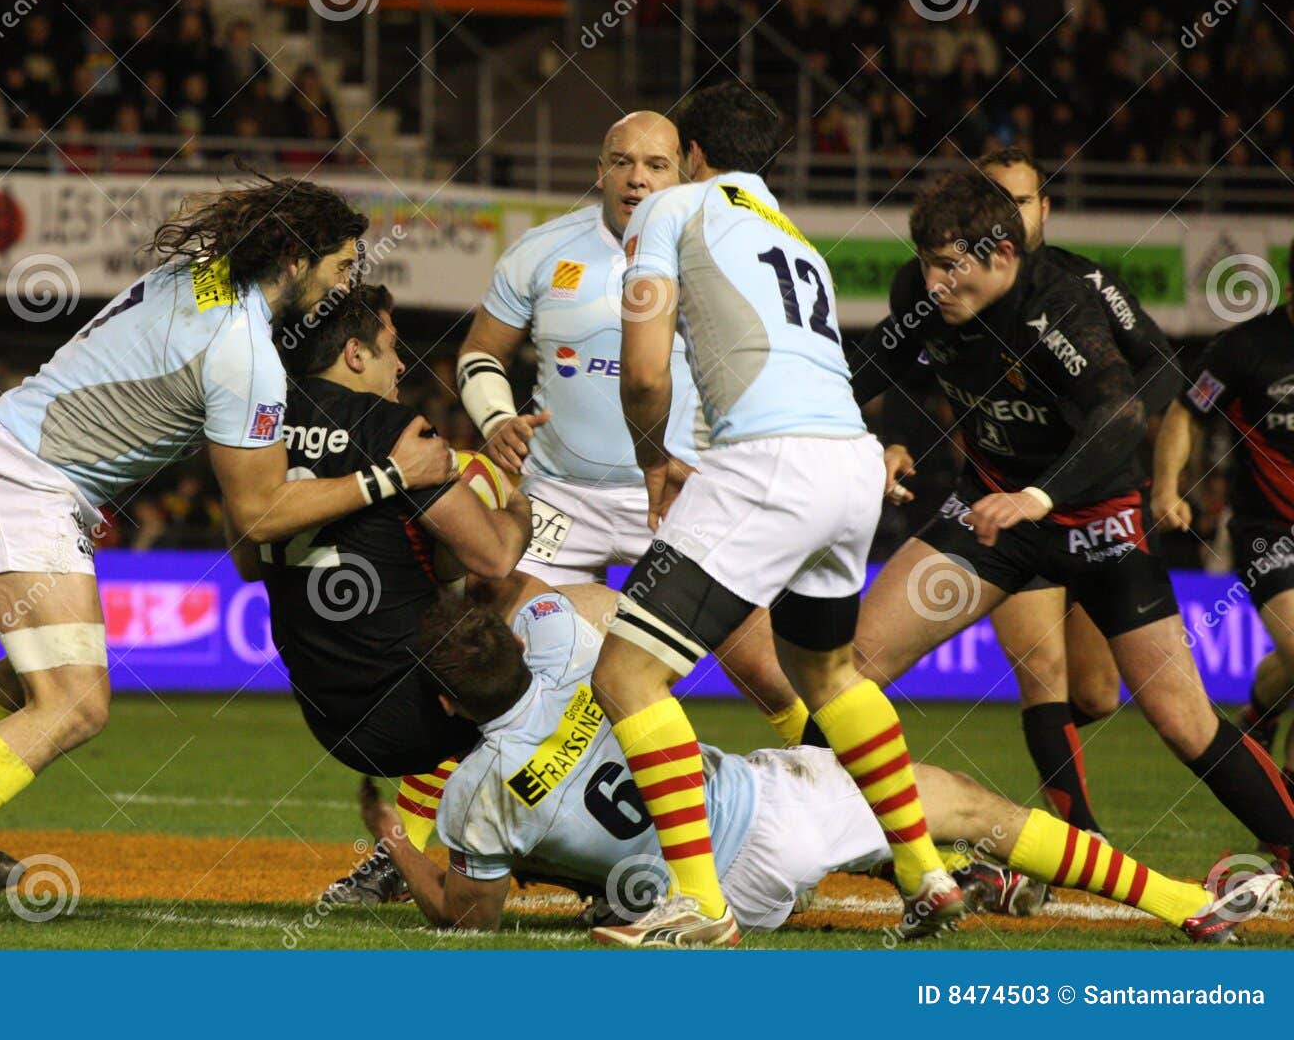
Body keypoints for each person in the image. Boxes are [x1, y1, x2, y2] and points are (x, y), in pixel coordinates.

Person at [0, 178, 457, 932]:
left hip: (17, 464)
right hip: (22, 479)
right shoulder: (244, 351)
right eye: (340, 267)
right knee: (74, 700)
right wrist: (393, 475)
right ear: (295, 258)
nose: (345, 285)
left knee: (24, 681)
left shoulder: (193, 277)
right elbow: (261, 512)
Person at [358, 578, 1286, 945]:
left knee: (552, 853)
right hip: (765, 811)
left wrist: (395, 836)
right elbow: (604, 605)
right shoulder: (554, 635)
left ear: (444, 702)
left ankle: (947, 875)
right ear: (508, 641)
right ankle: (1181, 902)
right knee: (956, 801)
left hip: (721, 899)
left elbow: (466, 918)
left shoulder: (475, 796)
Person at [588, 82, 957, 948]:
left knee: (628, 675)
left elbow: (644, 372)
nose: (648, 177)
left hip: (772, 461)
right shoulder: (796, 238)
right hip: (850, 464)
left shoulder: (670, 208)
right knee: (827, 675)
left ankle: (699, 901)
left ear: (694, 157)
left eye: (665, 159)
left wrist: (652, 458)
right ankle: (923, 868)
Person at [848, 170, 1294, 870]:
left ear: (1001, 256)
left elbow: (1119, 417)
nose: (934, 282)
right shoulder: (922, 295)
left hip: (1096, 521)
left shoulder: (1059, 308)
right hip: (989, 512)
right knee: (856, 665)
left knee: (1180, 719)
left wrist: (1041, 496)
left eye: (949, 266)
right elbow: (859, 369)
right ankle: (808, 832)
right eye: (928, 263)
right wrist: (865, 442)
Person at [456, 110, 804, 745]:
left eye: (656, 165)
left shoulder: (721, 256)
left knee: (763, 667)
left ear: (685, 173)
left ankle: (854, 799)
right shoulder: (540, 249)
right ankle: (451, 833)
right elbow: (480, 352)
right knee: (495, 650)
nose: (636, 178)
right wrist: (497, 417)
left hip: (680, 495)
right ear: (600, 171)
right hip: (562, 496)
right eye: (622, 162)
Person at [876, 146, 1165, 835]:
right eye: (996, 198)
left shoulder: (1081, 285)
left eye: (1022, 200)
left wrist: (1111, 433)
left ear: (1043, 209)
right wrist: (897, 438)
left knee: (1095, 690)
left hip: (1091, 503)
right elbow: (897, 372)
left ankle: (1037, 818)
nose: (1010, 211)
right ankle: (1078, 840)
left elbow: (1157, 369)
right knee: (1041, 666)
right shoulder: (944, 289)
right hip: (1004, 504)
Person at [236, 284, 532, 903]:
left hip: (329, 719)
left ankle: (398, 859)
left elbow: (246, 561)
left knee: (453, 594)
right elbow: (497, 555)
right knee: (559, 616)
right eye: (392, 349)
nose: (402, 366)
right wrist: (516, 498)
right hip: (417, 715)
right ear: (353, 354)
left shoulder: (255, 425)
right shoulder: (394, 430)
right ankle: (602, 859)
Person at [1153, 249, 1294, 836]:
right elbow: (1187, 413)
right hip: (1270, 534)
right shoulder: (1245, 348)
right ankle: (1286, 815)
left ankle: (1258, 717)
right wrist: (1166, 487)